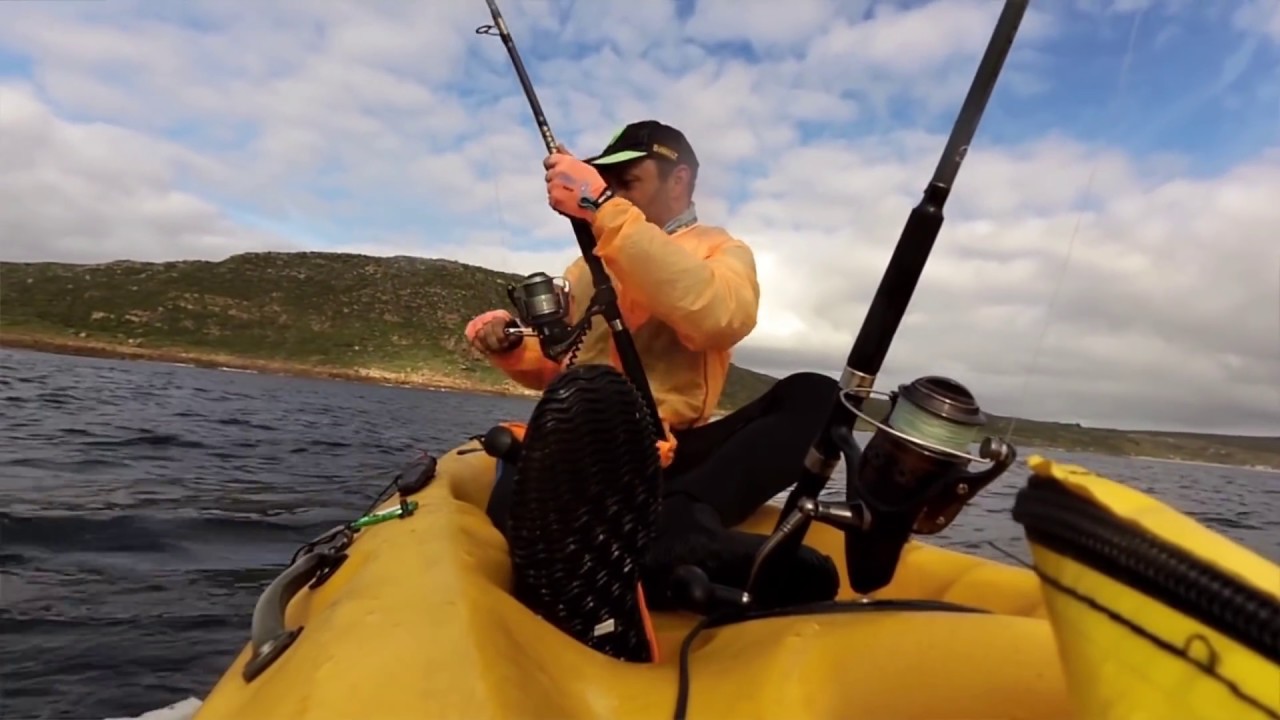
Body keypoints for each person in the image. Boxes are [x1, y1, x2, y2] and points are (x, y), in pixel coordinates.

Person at [466, 120, 840, 610]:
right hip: (594, 449)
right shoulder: (587, 265)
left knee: (818, 395)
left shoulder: (721, 250)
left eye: (627, 182)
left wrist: (604, 210)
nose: (613, 192)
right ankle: (650, 541)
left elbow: (717, 317)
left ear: (678, 180)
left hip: (675, 457)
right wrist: (508, 346)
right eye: (606, 182)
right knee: (528, 476)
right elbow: (569, 365)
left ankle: (681, 524)